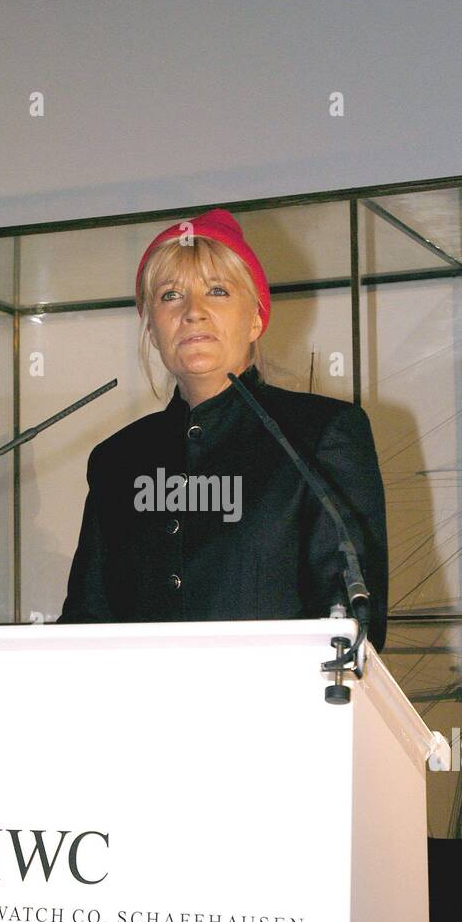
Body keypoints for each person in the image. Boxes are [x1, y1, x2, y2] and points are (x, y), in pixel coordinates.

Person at [57, 208, 389, 650]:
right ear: (152, 329)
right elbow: (84, 622)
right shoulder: (117, 459)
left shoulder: (322, 435)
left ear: (255, 318)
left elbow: (352, 625)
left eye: (217, 291)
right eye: (170, 296)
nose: (193, 312)